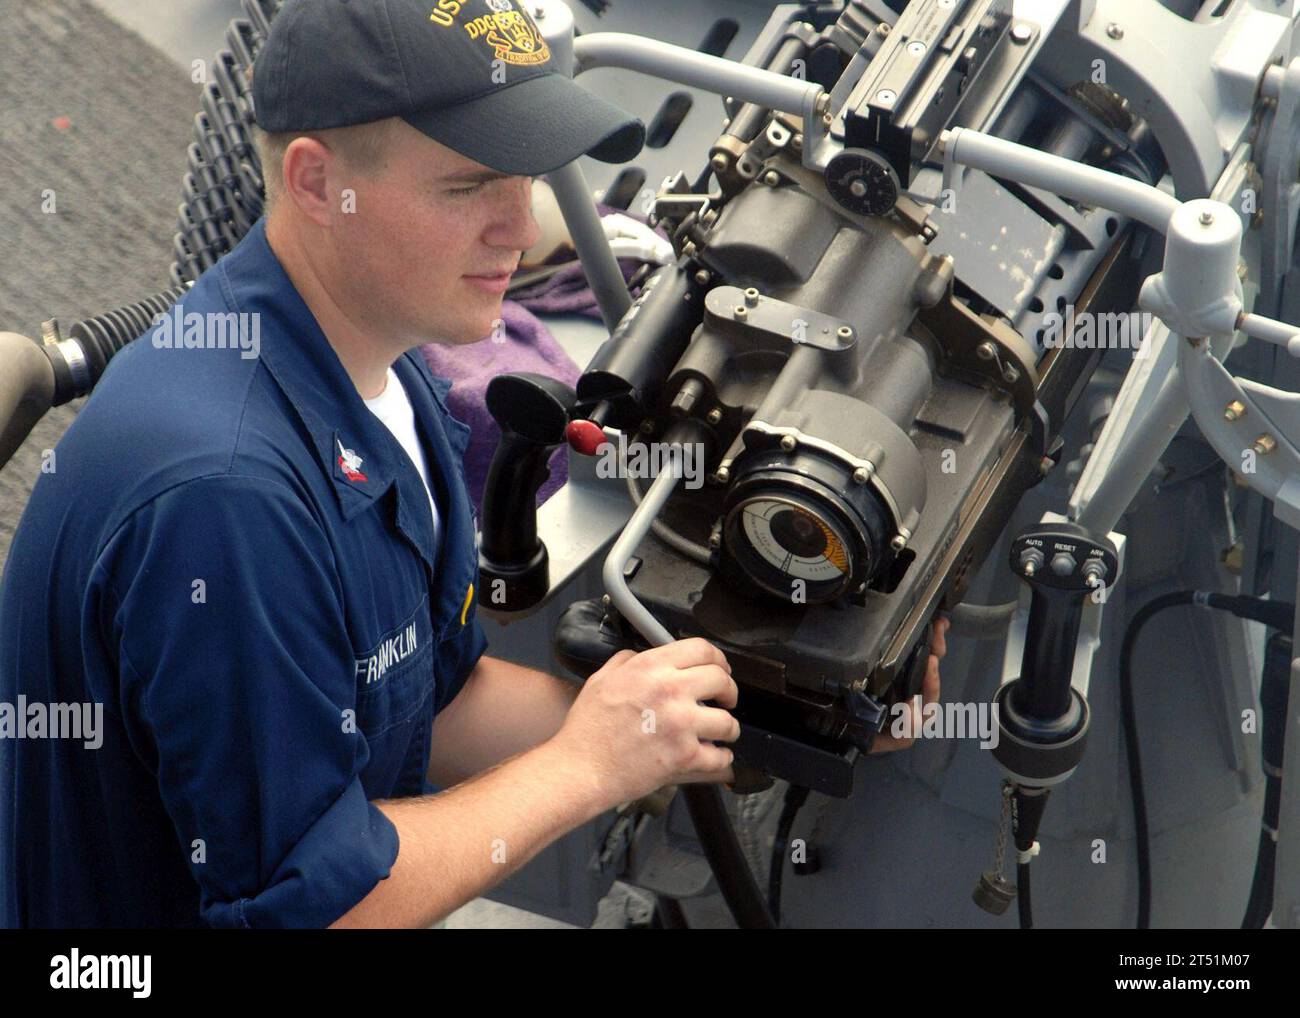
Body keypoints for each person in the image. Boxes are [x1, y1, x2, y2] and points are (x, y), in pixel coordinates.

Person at [0, 0, 947, 929]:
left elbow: (437, 700)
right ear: (317, 182)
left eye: (525, 176)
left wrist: (752, 721)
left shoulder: (382, 368)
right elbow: (314, 908)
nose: (517, 224)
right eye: (467, 186)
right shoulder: (226, 498)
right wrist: (585, 767)